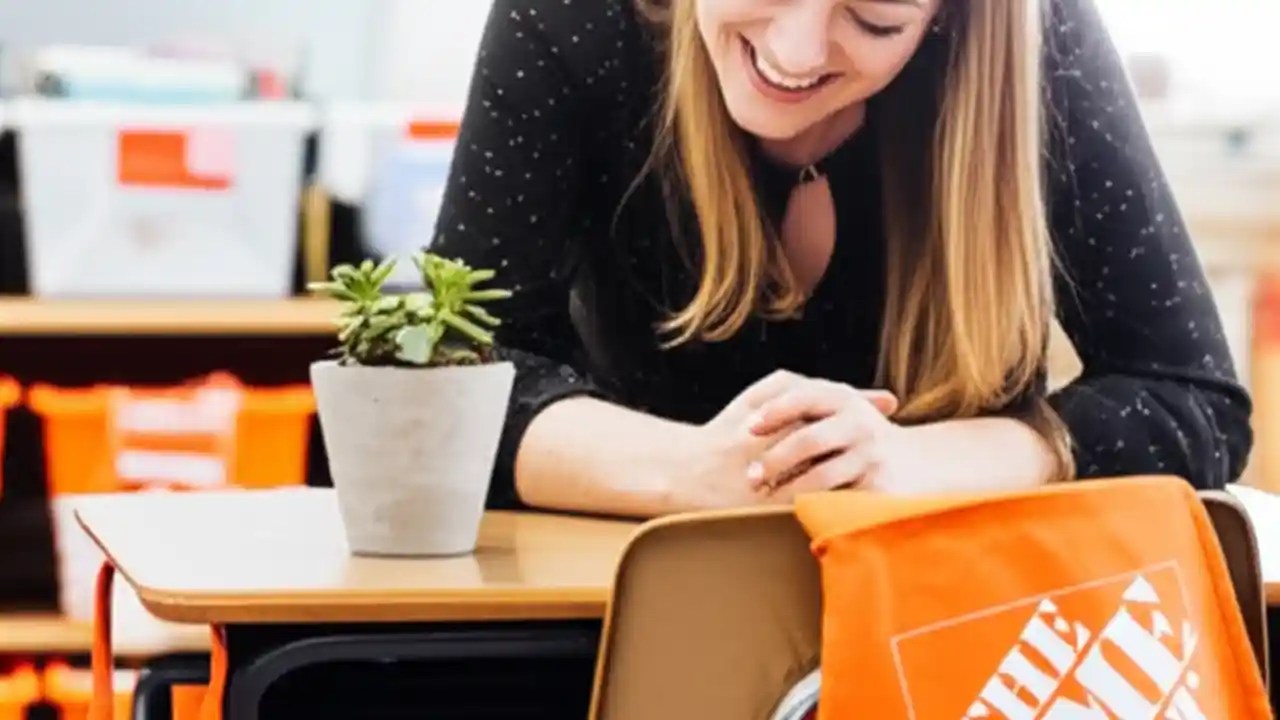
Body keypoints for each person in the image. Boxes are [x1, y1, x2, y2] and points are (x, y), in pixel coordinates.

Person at [431, 0, 1252, 517]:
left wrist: (916, 461)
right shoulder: (572, 19)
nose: (795, 51)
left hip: (952, 617)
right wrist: (696, 474)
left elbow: (1192, 399)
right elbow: (445, 383)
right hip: (613, 616)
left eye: (876, 22)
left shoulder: (1035, 35)